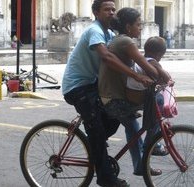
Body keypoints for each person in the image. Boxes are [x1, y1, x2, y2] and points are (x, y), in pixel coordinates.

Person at [62, 1, 154, 186]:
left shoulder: (110, 34)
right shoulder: (94, 31)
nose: (112, 13)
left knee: (113, 118)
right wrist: (136, 75)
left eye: (113, 9)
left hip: (93, 85)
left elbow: (126, 55)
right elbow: (107, 57)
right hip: (78, 87)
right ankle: (105, 177)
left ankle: (94, 148)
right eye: (107, 9)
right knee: (96, 130)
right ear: (96, 12)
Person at [98, 8, 167, 177]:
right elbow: (147, 67)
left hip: (112, 95)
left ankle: (140, 166)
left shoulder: (120, 40)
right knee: (157, 99)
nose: (141, 27)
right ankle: (153, 146)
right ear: (128, 27)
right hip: (115, 99)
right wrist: (160, 72)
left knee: (133, 127)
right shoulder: (126, 42)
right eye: (138, 24)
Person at [126, 36, 172, 160]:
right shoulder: (152, 61)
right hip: (140, 95)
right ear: (159, 54)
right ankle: (151, 143)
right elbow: (165, 77)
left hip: (133, 92)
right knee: (158, 104)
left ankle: (151, 139)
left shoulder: (142, 58)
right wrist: (168, 79)